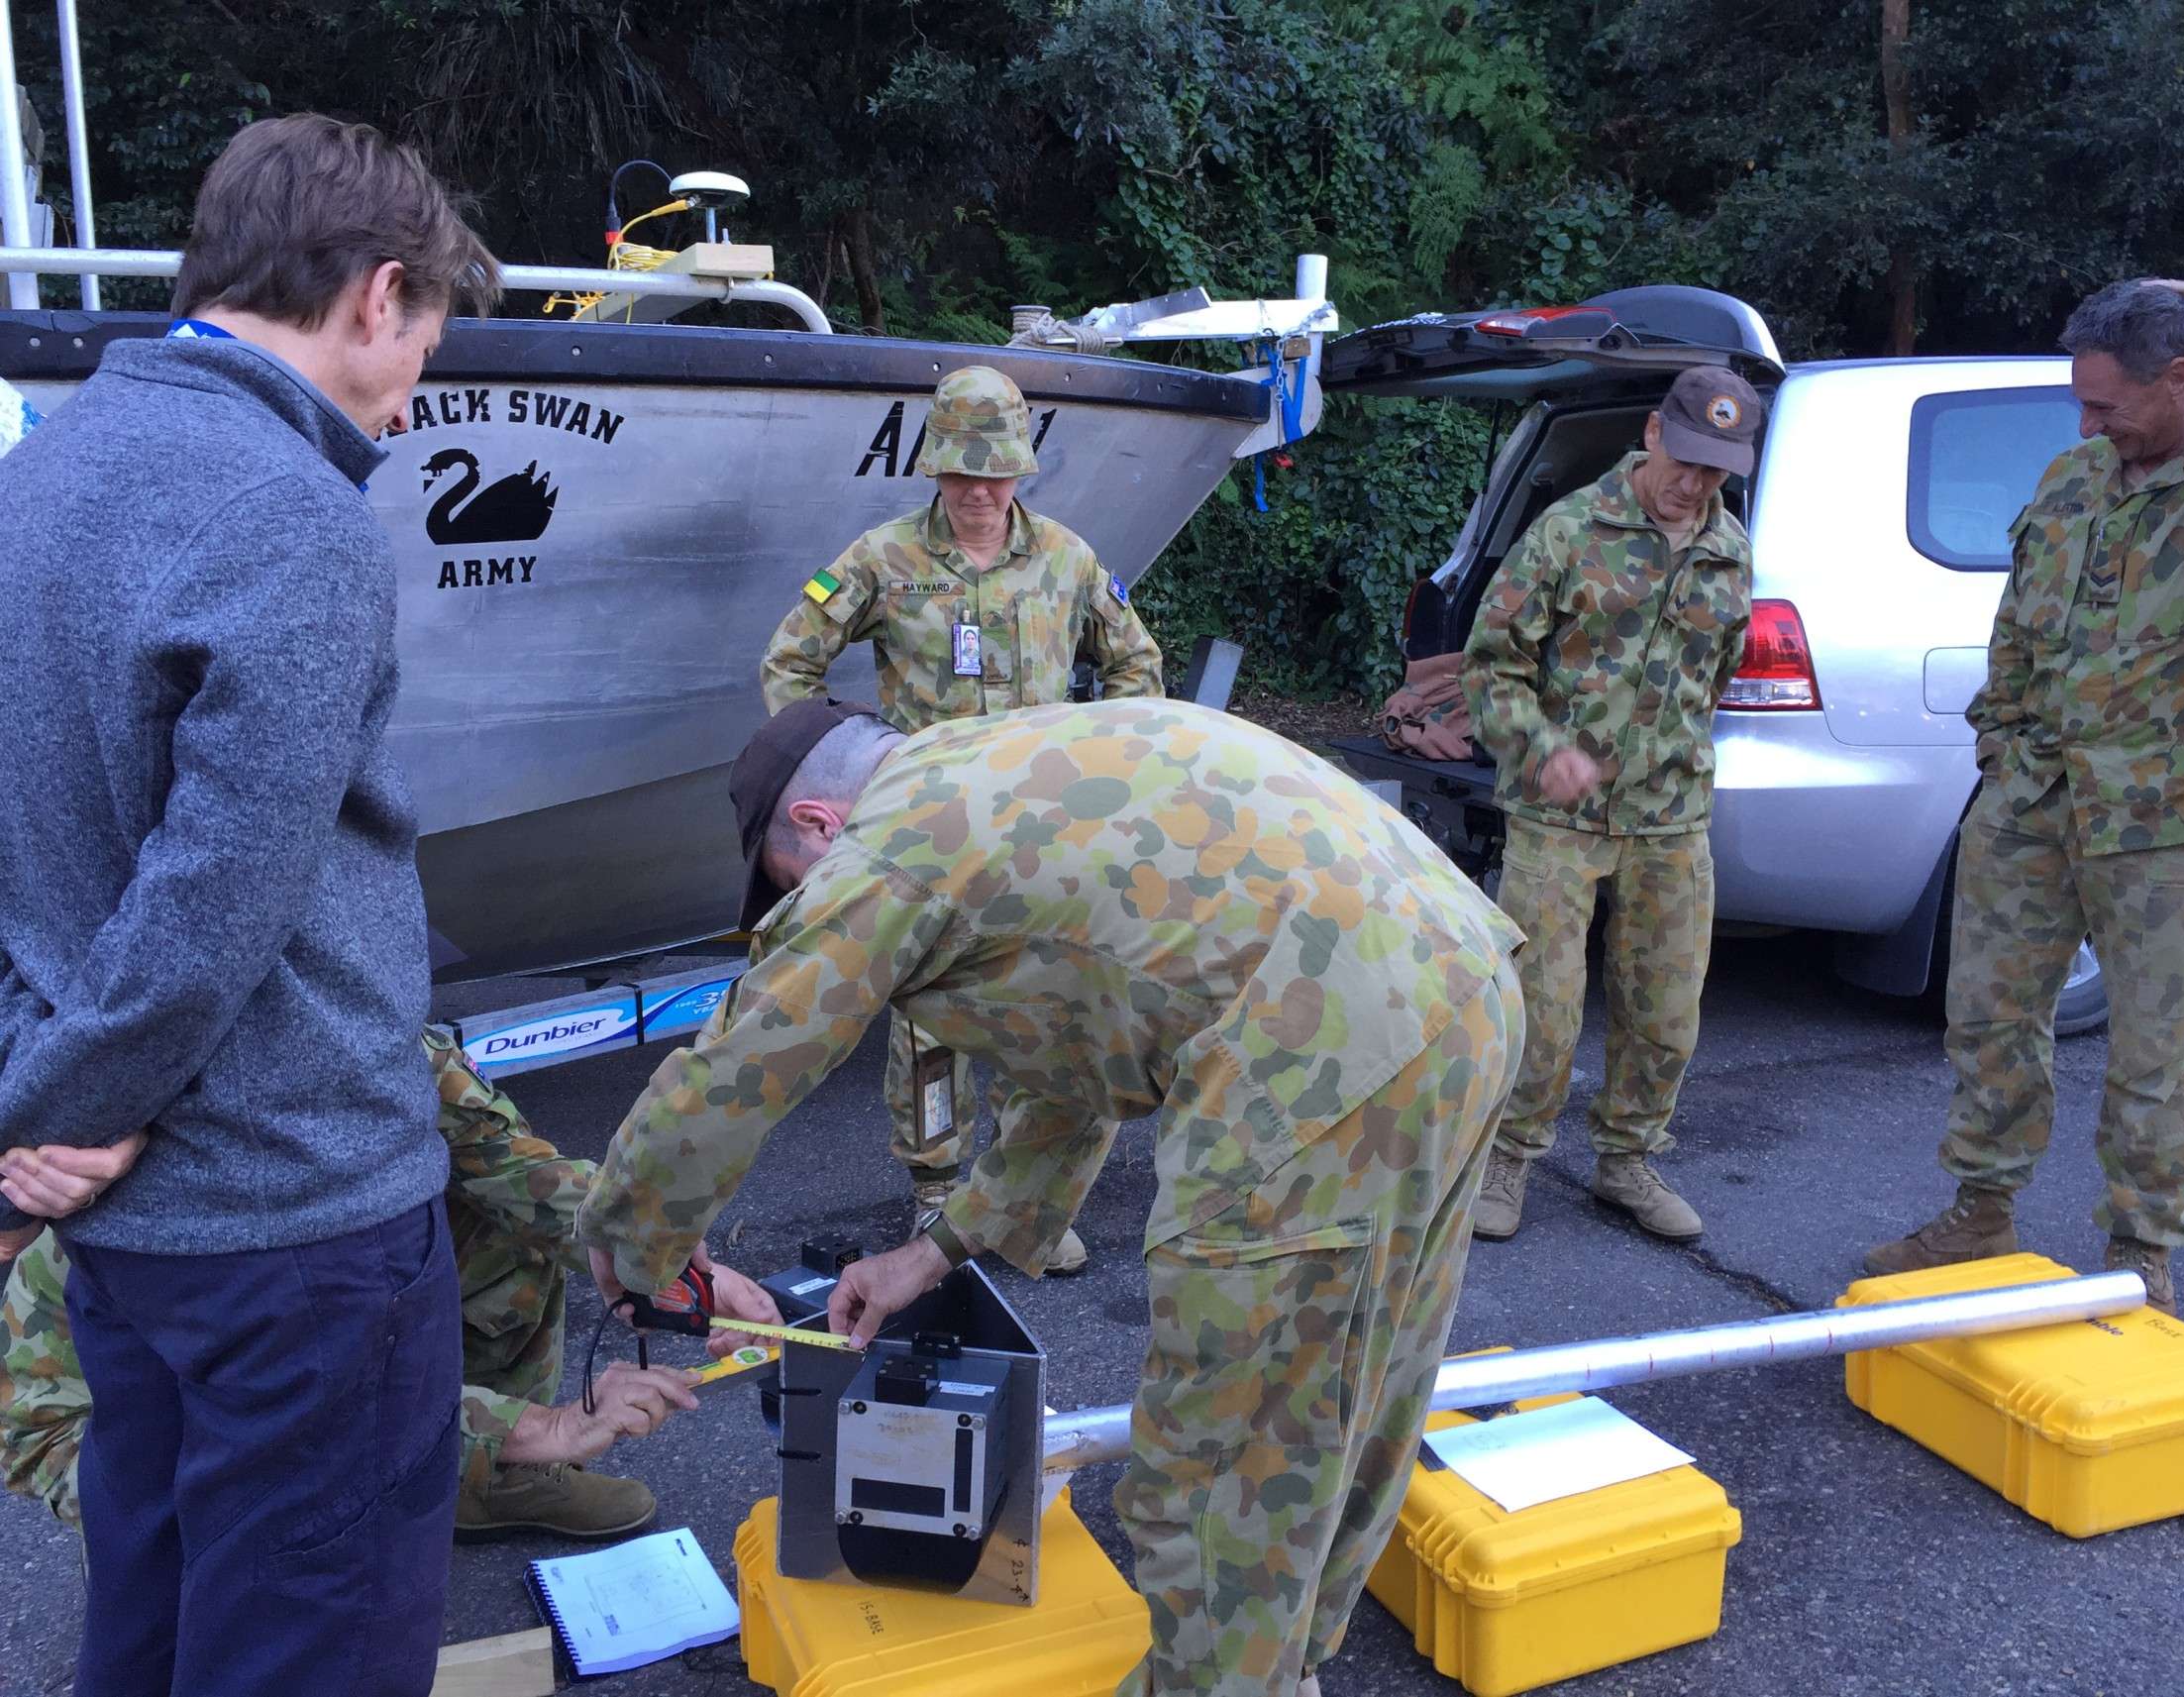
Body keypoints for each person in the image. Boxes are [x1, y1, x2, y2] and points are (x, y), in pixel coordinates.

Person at [576, 696, 1525, 1697]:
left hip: (1316, 1055)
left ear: (815, 822)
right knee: (1348, 1392)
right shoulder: (1002, 769)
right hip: (1461, 988)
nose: (801, 905)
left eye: (785, 889)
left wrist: (638, 1249)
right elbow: (1075, 1058)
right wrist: (934, 1250)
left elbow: (741, 1063)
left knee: (1223, 1455)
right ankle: (1276, 1670)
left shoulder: (885, 852)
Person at [0, 114, 499, 1697]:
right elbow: (219, 892)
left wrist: (32, 1114)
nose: (414, 394)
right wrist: (51, 1118)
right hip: (300, 1232)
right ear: (378, 293)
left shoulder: (42, 468)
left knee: (150, 1632)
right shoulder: (292, 516)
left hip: (133, 1243)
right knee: (306, 1646)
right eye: (422, 339)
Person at [1866, 279, 2184, 1314]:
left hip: (2169, 820)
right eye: (2079, 404)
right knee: (1987, 1017)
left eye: (2107, 405)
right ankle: (1979, 1211)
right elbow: (2018, 622)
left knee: (2150, 1051)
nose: (2087, 424)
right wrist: (2000, 742)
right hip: (2034, 800)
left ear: (2183, 379)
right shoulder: (2076, 475)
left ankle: (2140, 1258)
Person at [0, 1027, 772, 1540]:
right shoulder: (107, 1185)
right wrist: (529, 1427)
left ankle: (479, 1480)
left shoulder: (373, 1037)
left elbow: (510, 1166)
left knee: (502, 1225)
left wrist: (653, 1257)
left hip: (327, 1350)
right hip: (190, 1447)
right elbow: (41, 1435)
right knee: (236, 1573)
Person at [759, 365, 1165, 1275]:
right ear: (935, 466)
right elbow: (789, 665)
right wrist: (852, 772)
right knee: (932, 1023)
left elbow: (1138, 665)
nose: (980, 492)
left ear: (1021, 468)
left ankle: (1022, 1205)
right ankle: (939, 1198)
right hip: (930, 837)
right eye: (961, 473)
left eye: (997, 473)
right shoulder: (881, 562)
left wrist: (1104, 765)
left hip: (1045, 836)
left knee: (1047, 1013)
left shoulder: (1068, 561)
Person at [1459, 366, 1766, 1244]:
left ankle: (1628, 1158)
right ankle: (1510, 1156)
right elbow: (1491, 664)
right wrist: (1541, 747)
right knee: (1545, 1005)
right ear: (1654, 432)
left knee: (1667, 1003)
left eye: (1717, 469)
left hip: (1670, 815)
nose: (1695, 483)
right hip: (1558, 817)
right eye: (1688, 459)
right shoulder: (1568, 532)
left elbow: (1719, 672)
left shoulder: (1728, 548)